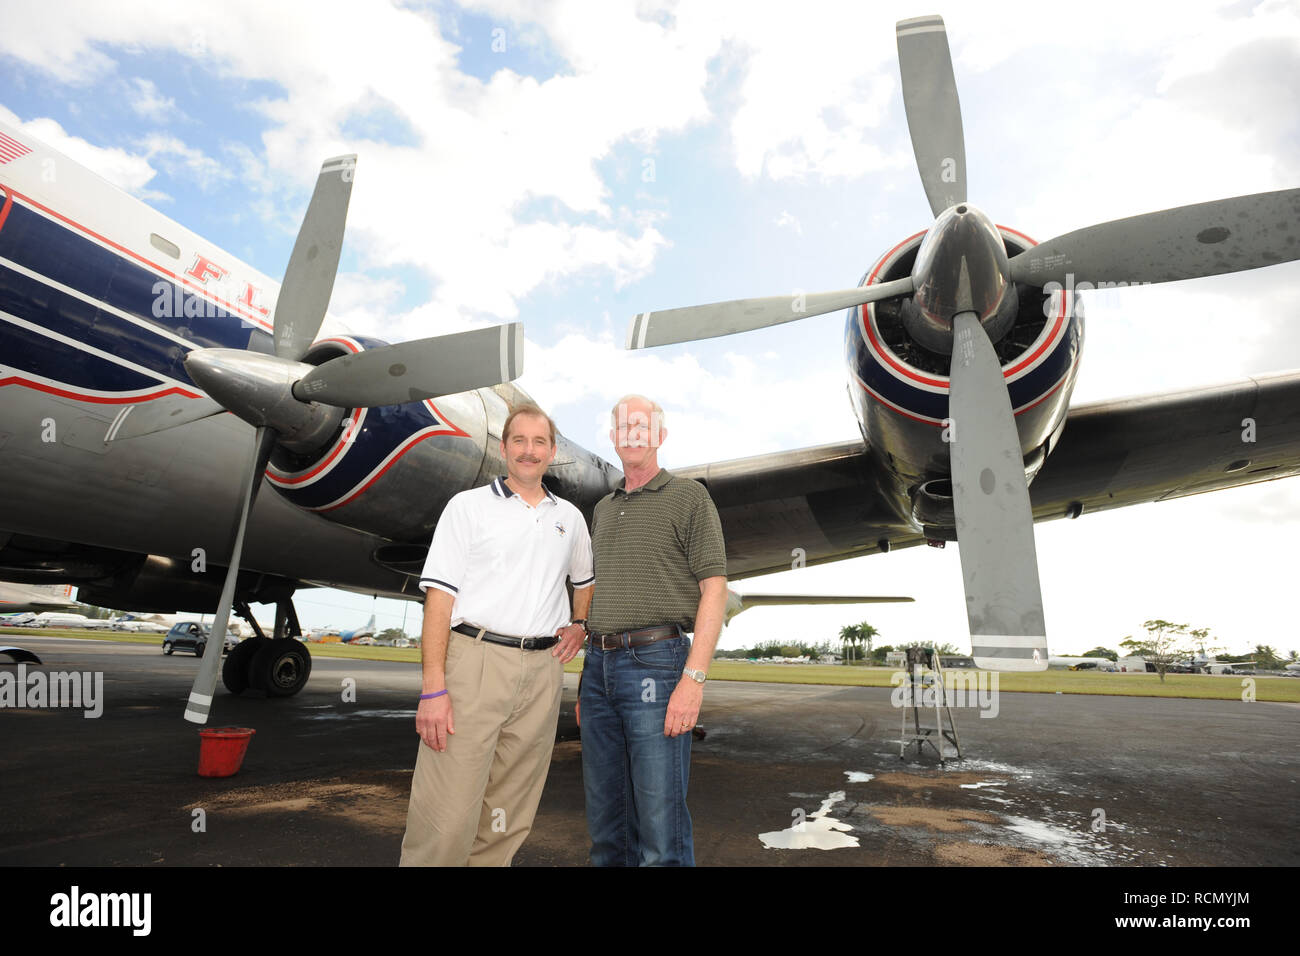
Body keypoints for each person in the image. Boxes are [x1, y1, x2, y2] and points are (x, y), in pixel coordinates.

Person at [399, 402, 593, 866]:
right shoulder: (467, 507)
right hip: (475, 660)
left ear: (552, 452)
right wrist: (433, 688)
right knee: (446, 808)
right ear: (504, 448)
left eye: (539, 442)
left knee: (512, 808)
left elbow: (585, 581)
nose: (529, 451)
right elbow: (439, 599)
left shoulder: (570, 518)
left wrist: (580, 624)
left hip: (543, 670)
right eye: (519, 441)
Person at [580, 394, 728, 866]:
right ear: (612, 437)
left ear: (660, 436)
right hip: (599, 665)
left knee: (660, 829)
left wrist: (694, 679)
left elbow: (715, 588)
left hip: (657, 665)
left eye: (642, 425)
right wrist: (589, 683)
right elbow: (599, 591)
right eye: (623, 426)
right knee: (607, 823)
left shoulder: (689, 496)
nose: (633, 433)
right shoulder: (601, 509)